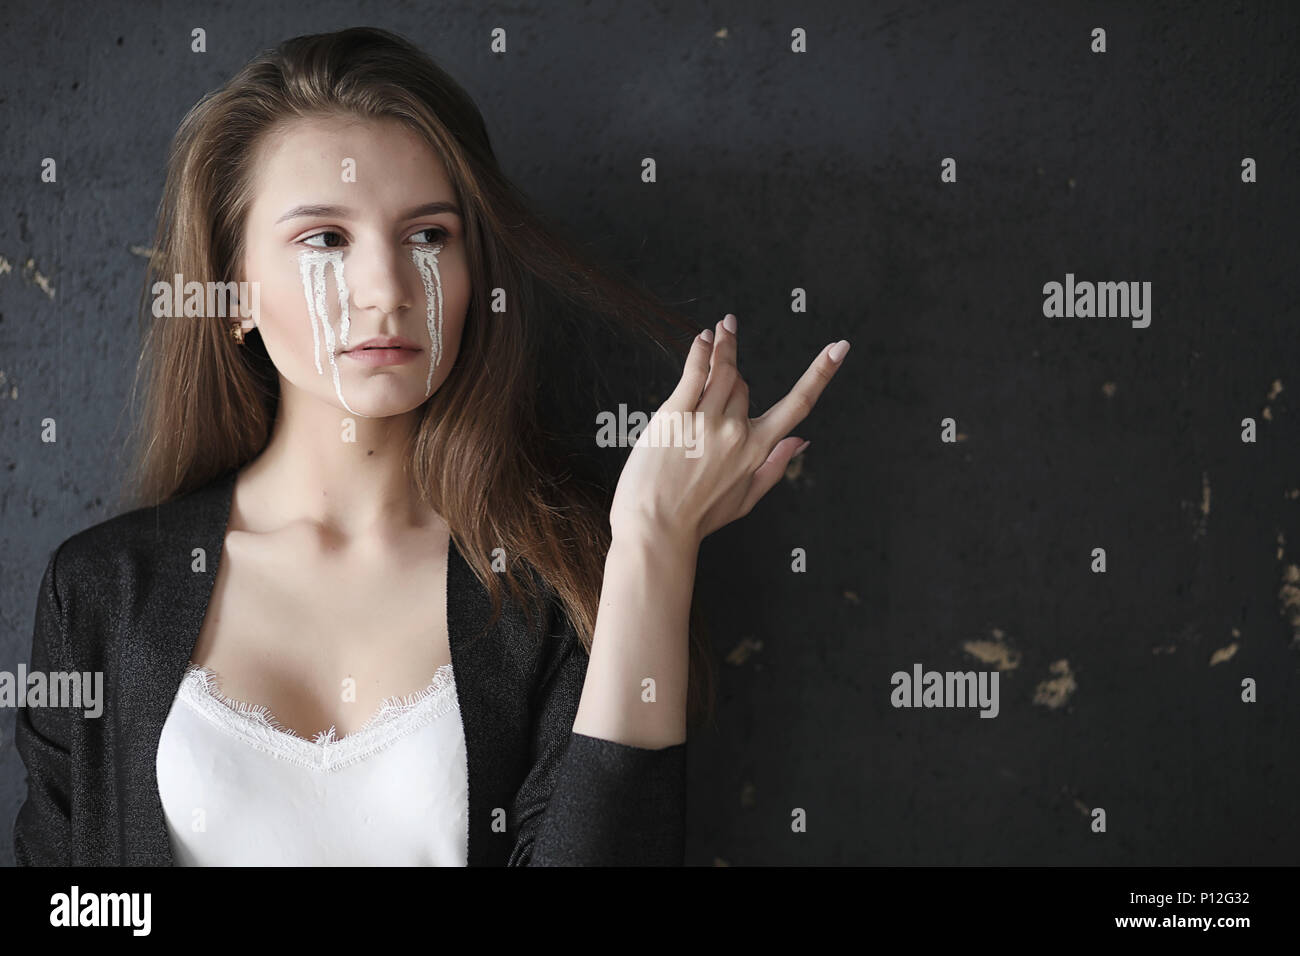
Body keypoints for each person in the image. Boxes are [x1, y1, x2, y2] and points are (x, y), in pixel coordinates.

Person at [12, 26, 850, 866]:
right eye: (324, 240)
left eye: (427, 236)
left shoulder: (560, 580)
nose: (385, 289)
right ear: (232, 293)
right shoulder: (100, 594)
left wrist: (652, 548)